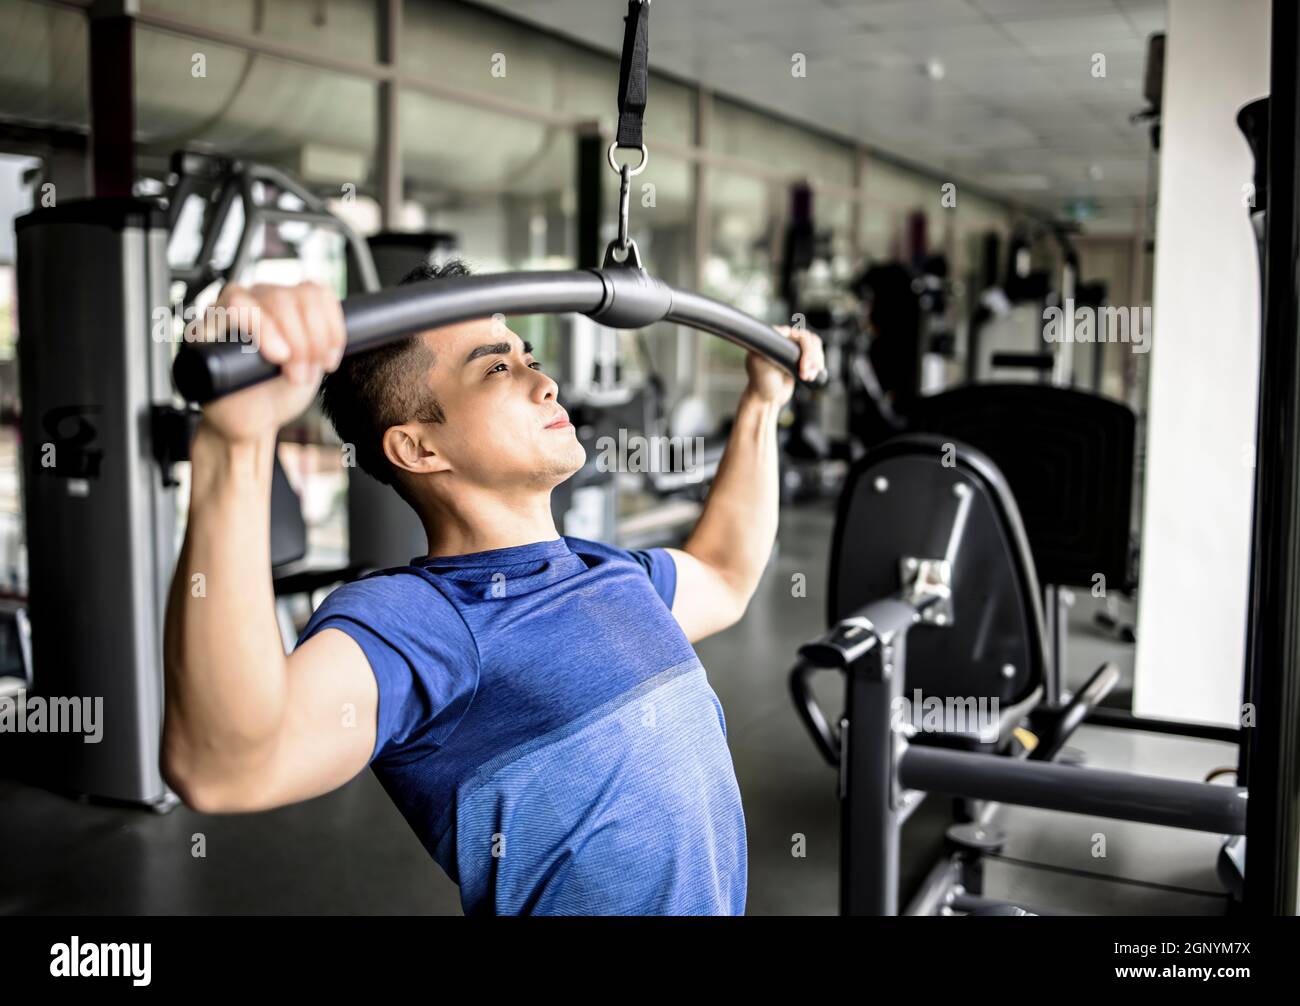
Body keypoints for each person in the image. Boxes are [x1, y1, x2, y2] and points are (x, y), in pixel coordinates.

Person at [161, 259, 824, 916]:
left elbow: (728, 575)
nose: (546, 382)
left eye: (527, 356)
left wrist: (763, 403)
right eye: (497, 368)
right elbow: (223, 766)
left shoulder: (613, 572)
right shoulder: (424, 623)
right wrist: (237, 441)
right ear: (418, 448)